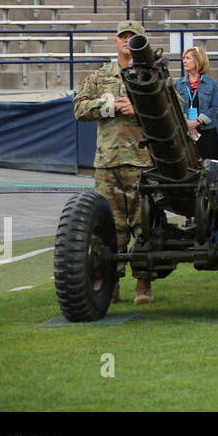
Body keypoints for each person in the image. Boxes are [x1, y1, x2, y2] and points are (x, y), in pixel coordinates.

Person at [72, 21, 155, 304]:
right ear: (116, 41)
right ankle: (111, 283)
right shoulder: (100, 76)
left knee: (145, 225)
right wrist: (107, 106)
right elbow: (79, 109)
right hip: (108, 163)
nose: (127, 41)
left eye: (133, 37)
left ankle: (143, 284)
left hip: (144, 161)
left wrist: (140, 107)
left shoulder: (152, 75)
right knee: (111, 227)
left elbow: (175, 108)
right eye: (123, 36)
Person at [175, 45, 218, 161]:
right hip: (185, 131)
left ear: (197, 60)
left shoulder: (211, 83)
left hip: (207, 132)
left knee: (209, 166)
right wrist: (186, 122)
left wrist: (197, 121)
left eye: (187, 58)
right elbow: (176, 106)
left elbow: (215, 107)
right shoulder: (178, 84)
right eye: (183, 58)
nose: (184, 61)